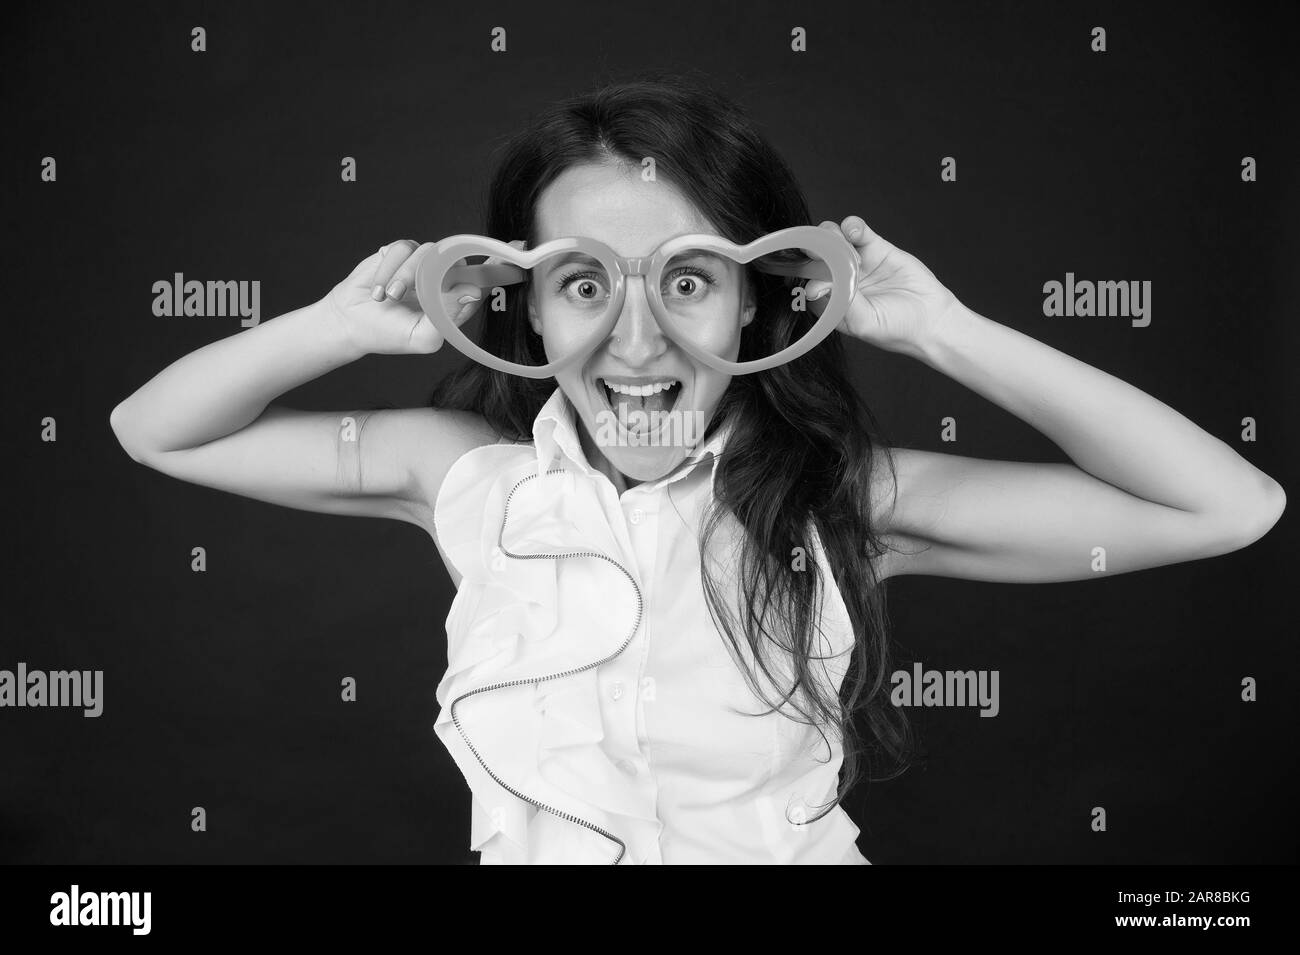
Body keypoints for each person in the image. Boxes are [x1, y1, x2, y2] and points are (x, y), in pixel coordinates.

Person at [110, 74, 1285, 865]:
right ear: (519, 303)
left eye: (684, 280)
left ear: (757, 296)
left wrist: (940, 329)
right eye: (583, 282)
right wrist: (344, 325)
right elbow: (157, 428)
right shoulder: (460, 472)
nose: (634, 342)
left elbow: (1229, 504)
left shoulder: (845, 502)